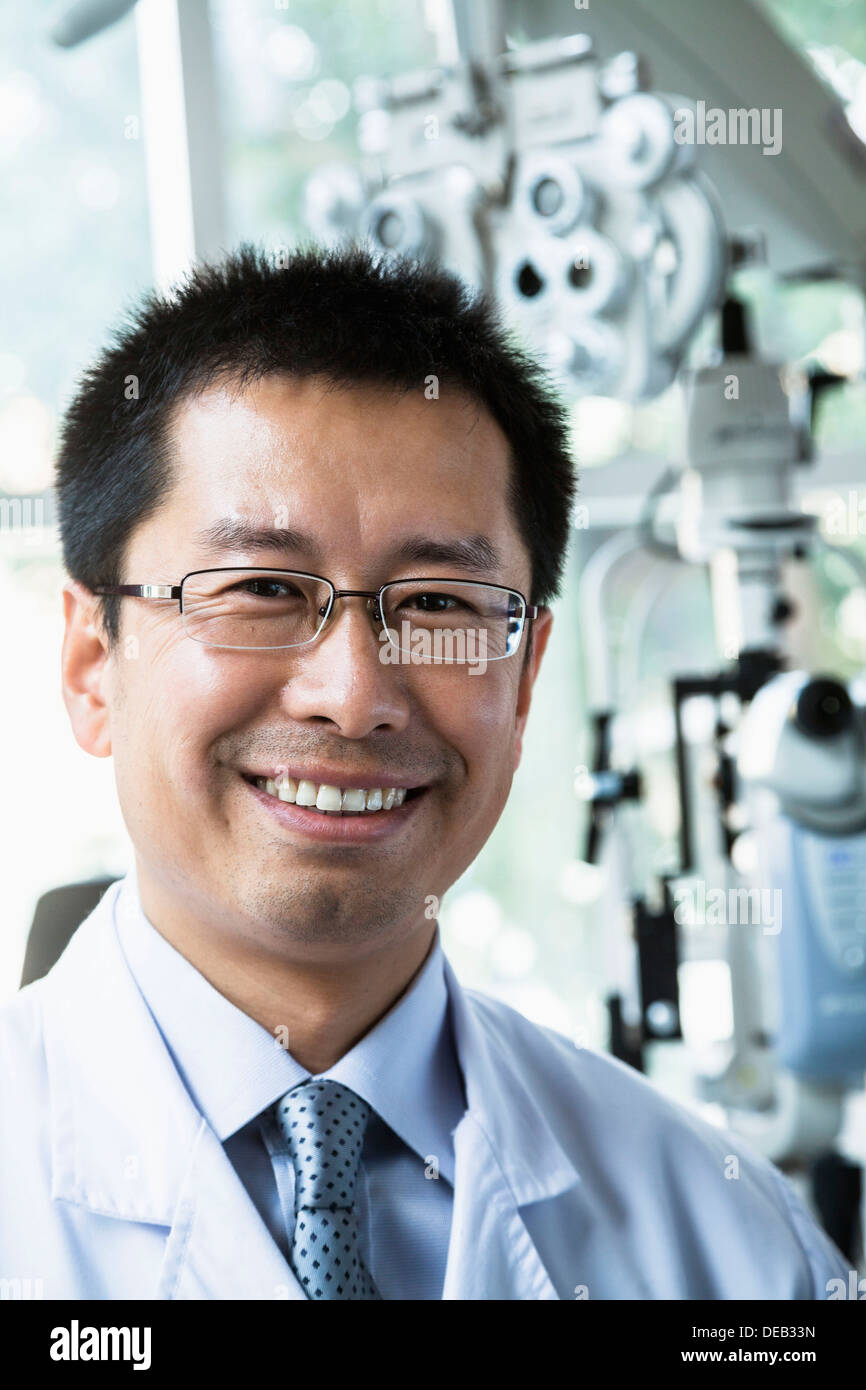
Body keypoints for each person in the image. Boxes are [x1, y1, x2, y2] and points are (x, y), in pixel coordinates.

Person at [0, 243, 850, 1300]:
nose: (353, 694)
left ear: (526, 678)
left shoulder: (735, 1249)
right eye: (260, 586)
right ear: (92, 663)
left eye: (440, 603)